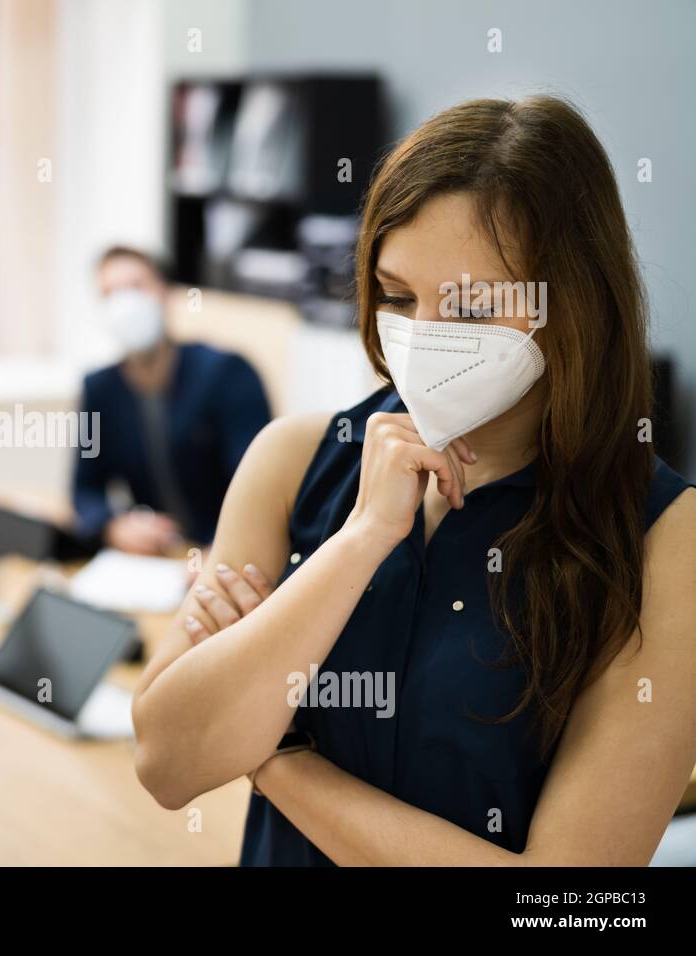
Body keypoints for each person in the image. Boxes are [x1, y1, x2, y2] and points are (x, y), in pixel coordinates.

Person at [132, 95, 696, 865]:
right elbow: (167, 761)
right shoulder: (292, 460)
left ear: (571, 307)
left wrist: (274, 755)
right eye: (398, 297)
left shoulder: (666, 538)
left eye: (469, 309)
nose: (422, 336)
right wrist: (361, 539)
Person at [73, 246, 271, 556]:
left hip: (227, 554)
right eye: (110, 294)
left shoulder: (227, 372)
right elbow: (84, 489)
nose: (125, 304)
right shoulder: (99, 389)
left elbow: (261, 487)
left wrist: (226, 549)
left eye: (136, 287)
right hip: (157, 558)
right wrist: (113, 526)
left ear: (166, 293)